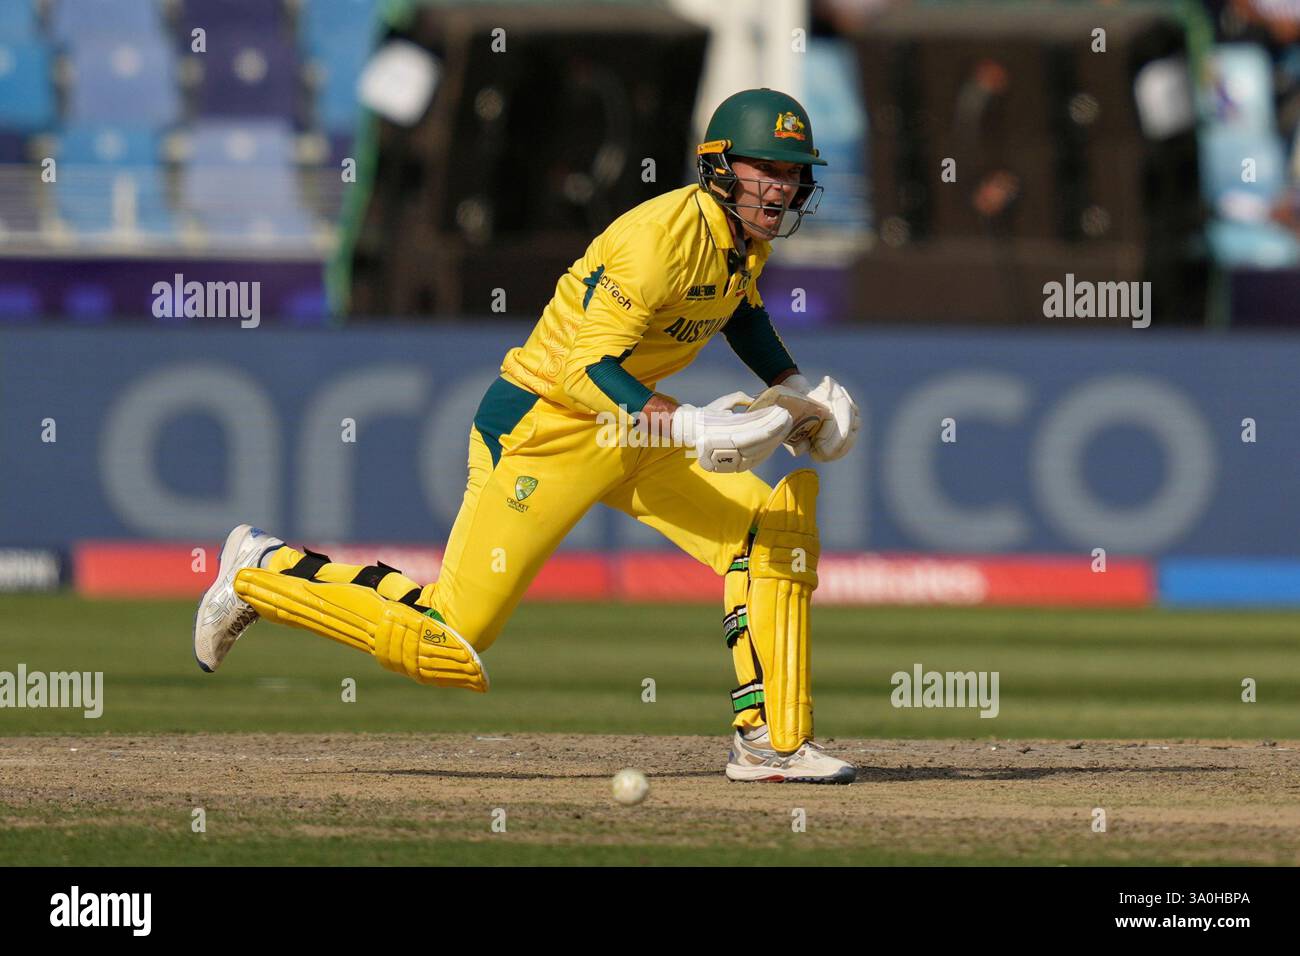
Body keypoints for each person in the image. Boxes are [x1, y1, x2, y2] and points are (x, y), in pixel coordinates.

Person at [193, 88, 862, 783]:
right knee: (447, 643)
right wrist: (691, 422)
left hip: (636, 431)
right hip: (548, 427)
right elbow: (584, 368)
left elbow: (739, 313)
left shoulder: (741, 242)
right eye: (767, 170)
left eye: (791, 174)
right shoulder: (658, 241)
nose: (780, 189)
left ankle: (769, 743)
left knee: (769, 536)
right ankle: (261, 574)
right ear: (718, 167)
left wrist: (793, 387)